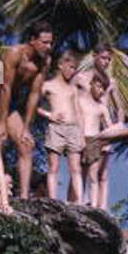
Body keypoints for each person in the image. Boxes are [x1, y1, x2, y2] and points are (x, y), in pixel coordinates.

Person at [0, 23, 56, 199]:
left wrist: (26, 127)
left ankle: (24, 197)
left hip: (12, 102)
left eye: (51, 43)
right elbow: (5, 88)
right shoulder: (14, 53)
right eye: (45, 42)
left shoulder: (45, 61)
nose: (49, 47)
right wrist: (2, 123)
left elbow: (34, 95)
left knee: (26, 143)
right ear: (32, 40)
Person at [38, 50, 84, 202]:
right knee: (54, 166)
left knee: (76, 168)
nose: (72, 71)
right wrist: (49, 114)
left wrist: (82, 134)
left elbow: (78, 112)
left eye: (74, 68)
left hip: (73, 128)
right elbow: (32, 105)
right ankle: (52, 200)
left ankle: (79, 201)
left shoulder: (73, 89)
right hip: (55, 128)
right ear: (60, 65)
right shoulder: (47, 85)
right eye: (70, 67)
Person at [77, 72, 113, 208]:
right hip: (80, 137)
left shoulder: (101, 107)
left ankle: (93, 204)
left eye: (103, 88)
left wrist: (106, 143)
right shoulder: (81, 101)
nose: (101, 90)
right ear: (91, 85)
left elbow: (109, 126)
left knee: (93, 175)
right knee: (80, 173)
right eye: (98, 86)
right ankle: (79, 201)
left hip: (94, 139)